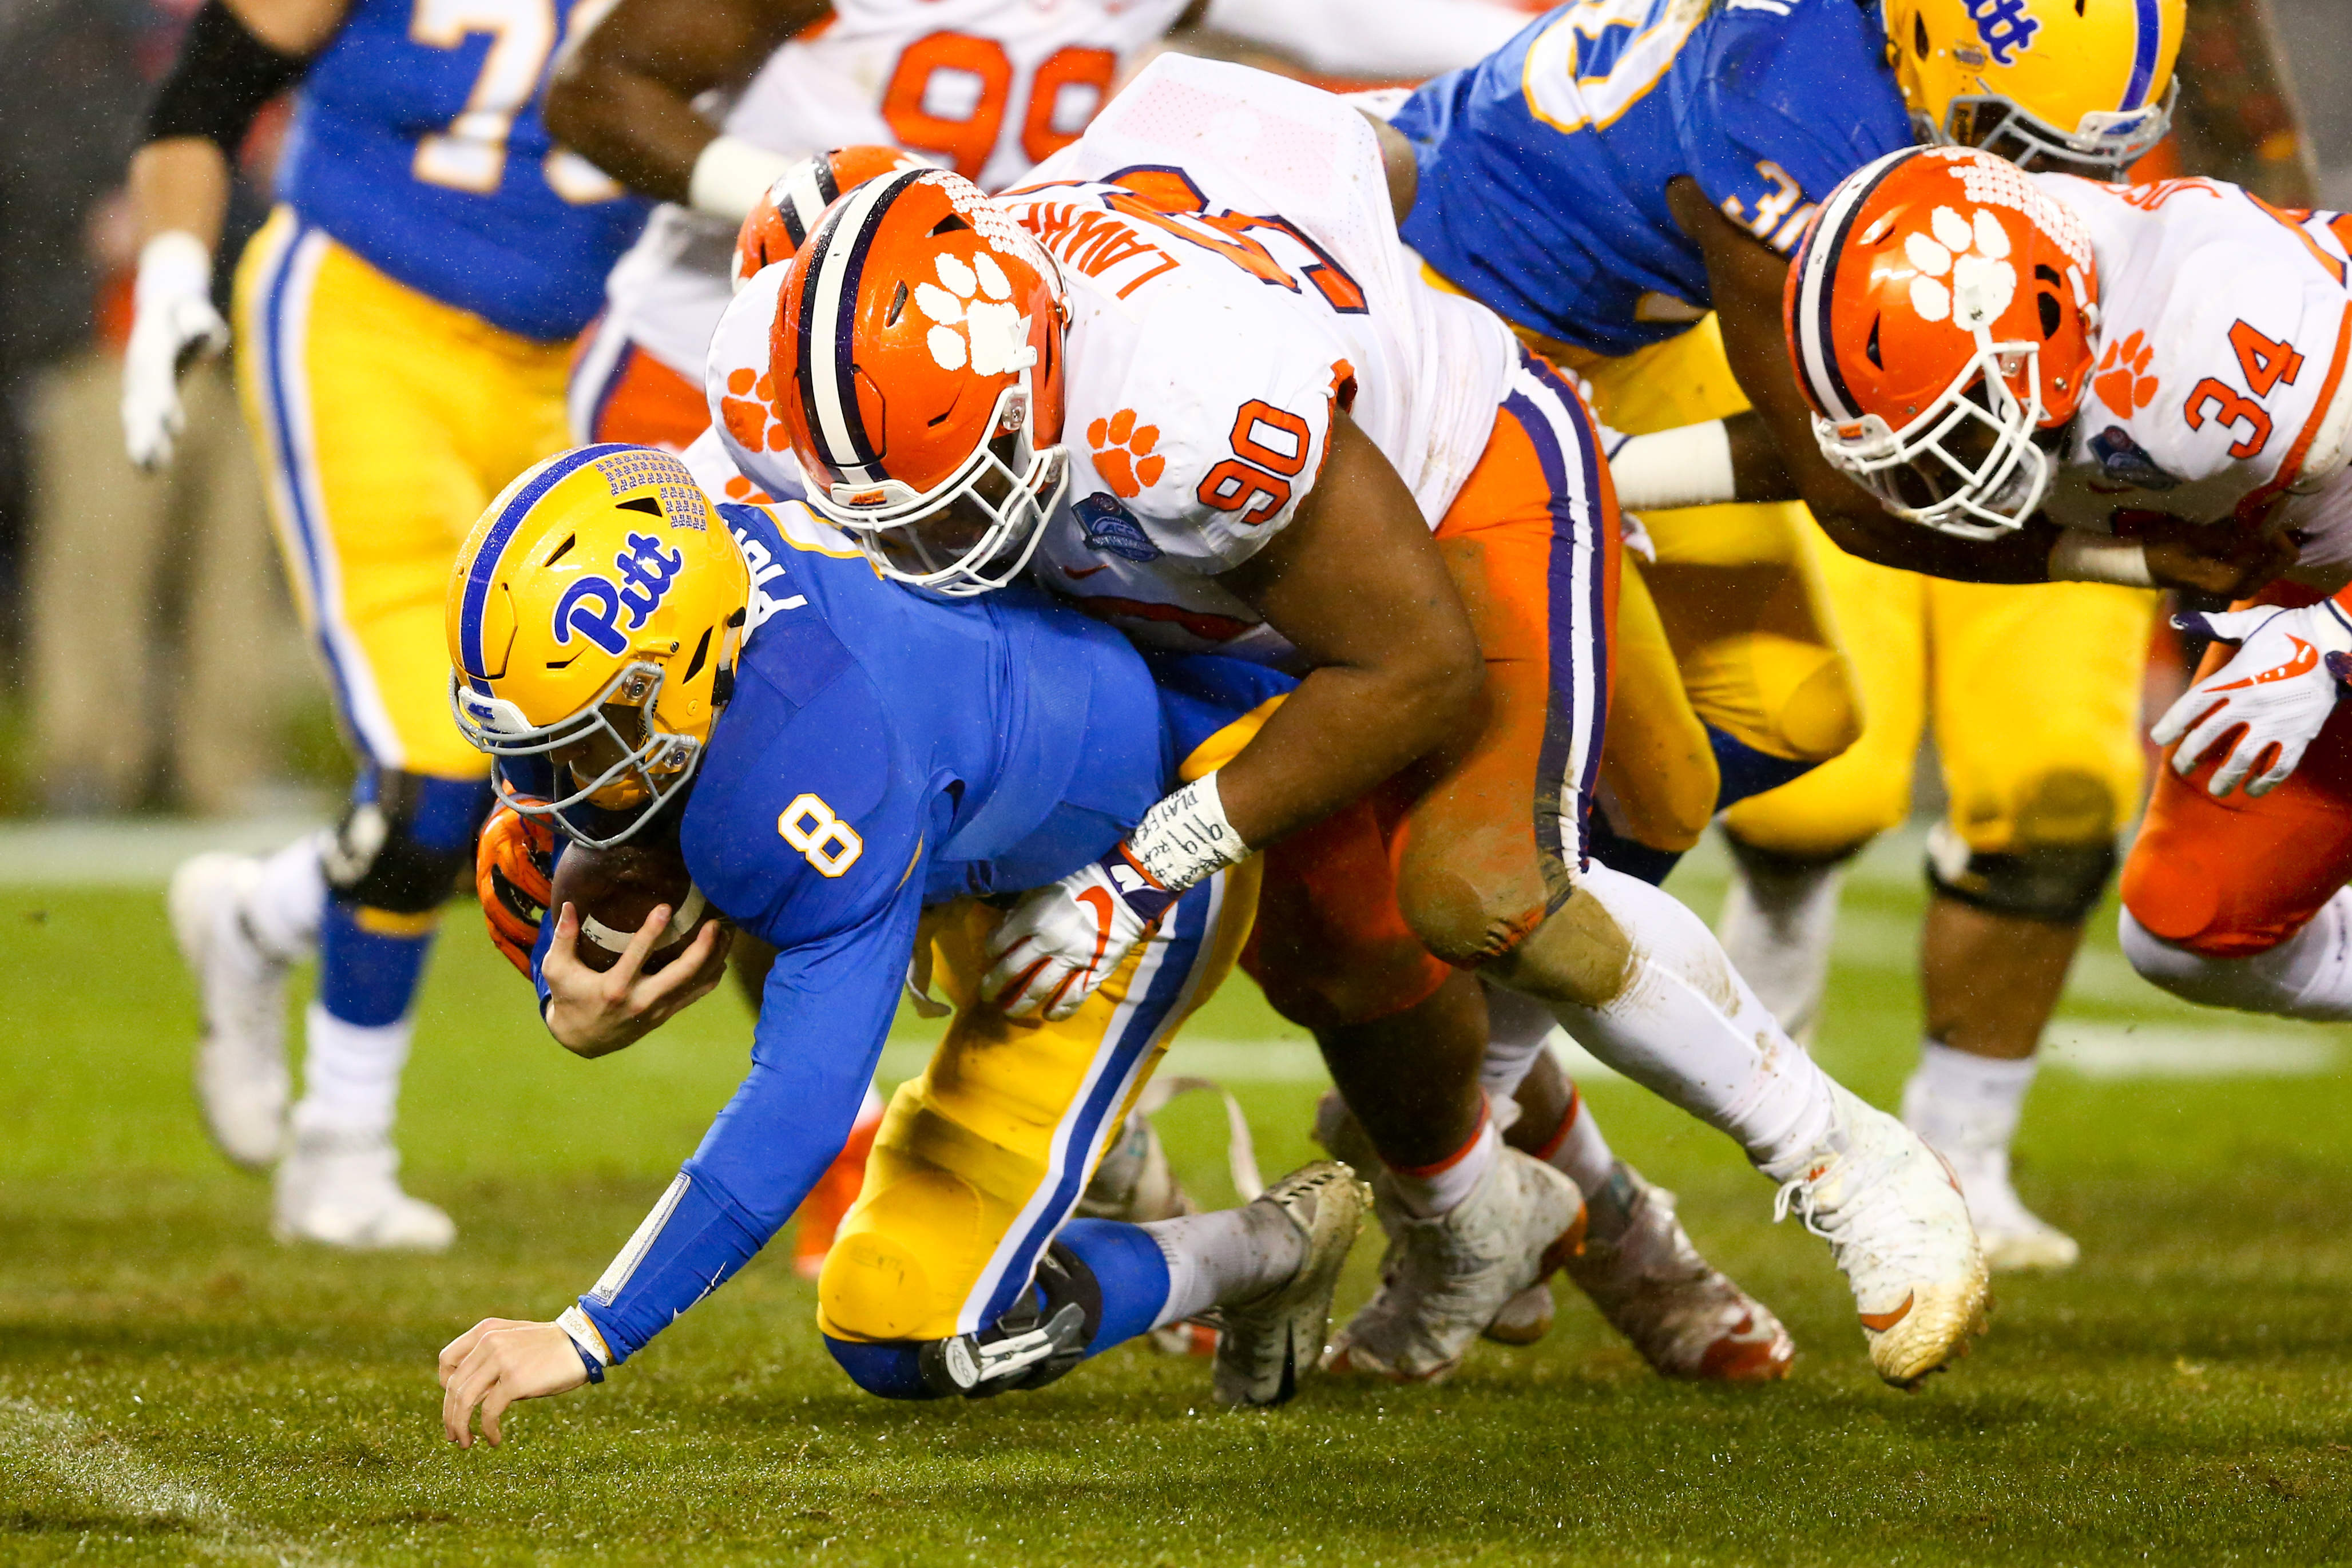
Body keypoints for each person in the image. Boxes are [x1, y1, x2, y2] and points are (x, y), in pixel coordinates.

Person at [725, 58, 1989, 1388]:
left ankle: (1848, 1160)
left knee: (1486, 890)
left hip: (1444, 493)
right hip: (1207, 600)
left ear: (1043, 345)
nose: (938, 534)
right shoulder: (787, 387)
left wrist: (1146, 867)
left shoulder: (1184, 393)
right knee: (1341, 972)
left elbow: (1412, 667)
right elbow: (1331, 149)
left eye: (968, 479)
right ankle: (1474, 1225)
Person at [1379, 0, 2217, 1275]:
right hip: (1459, 334)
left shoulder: (1868, 72)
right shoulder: (1786, 112)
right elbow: (1854, 484)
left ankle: (1472, 1074)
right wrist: (2124, 555)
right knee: (1643, 786)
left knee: (1795, 716)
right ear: (1930, 48)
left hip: (1623, 325)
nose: (2048, 184)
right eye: (2018, 140)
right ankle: (1444, 1104)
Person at [435, 439, 1372, 1443]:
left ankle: (1265, 1250)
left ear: (691, 664)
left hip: (1121, 877)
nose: (547, 785)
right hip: (989, 829)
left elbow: (800, 1106)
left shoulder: (819, 764)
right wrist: (563, 992)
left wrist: (590, 1330)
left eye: (584, 739)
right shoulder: (716, 576)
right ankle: (1093, 1154)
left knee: (903, 1321)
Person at [124, 0, 647, 1246]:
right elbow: (211, 82)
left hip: (565, 364)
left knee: (583, 767)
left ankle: (261, 919)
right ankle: (340, 1150)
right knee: (436, 757)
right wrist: (166, 274)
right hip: (363, 314)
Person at [1774, 144, 2350, 1041]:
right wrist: (1623, 469)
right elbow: (1821, 472)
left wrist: (2333, 640)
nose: (1942, 471)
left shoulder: (2220, 340)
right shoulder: (2005, 292)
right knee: (2190, 923)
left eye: (1959, 427)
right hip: (2308, 575)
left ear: (2048, 320)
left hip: (2330, 597)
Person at [545, 0, 1533, 452]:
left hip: (963, 384)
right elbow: (598, 96)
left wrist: (1554, 47)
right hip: (714, 365)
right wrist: (832, 202)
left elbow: (1350, 20)